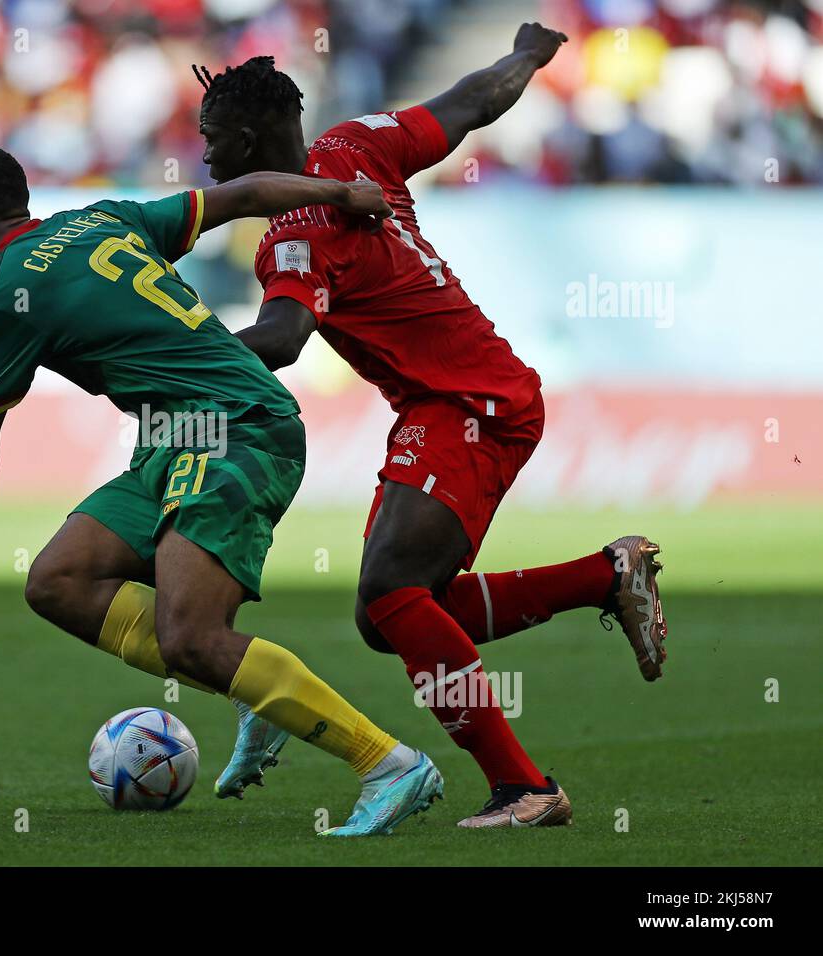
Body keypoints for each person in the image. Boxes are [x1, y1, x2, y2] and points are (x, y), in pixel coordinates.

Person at [194, 23, 667, 828]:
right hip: (457, 399)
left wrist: (170, 357)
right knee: (395, 613)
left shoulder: (293, 235)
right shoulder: (356, 146)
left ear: (245, 137)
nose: (203, 160)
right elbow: (473, 101)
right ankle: (607, 576)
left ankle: (526, 789)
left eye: (209, 141)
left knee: (391, 591)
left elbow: (278, 340)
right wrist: (527, 56)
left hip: (469, 404)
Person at [0, 144, 441, 836]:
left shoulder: (0, 300)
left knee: (189, 636)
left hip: (232, 428)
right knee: (58, 581)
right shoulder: (102, 219)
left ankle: (388, 763)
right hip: (175, 438)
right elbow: (242, 196)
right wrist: (337, 194)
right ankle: (249, 690)